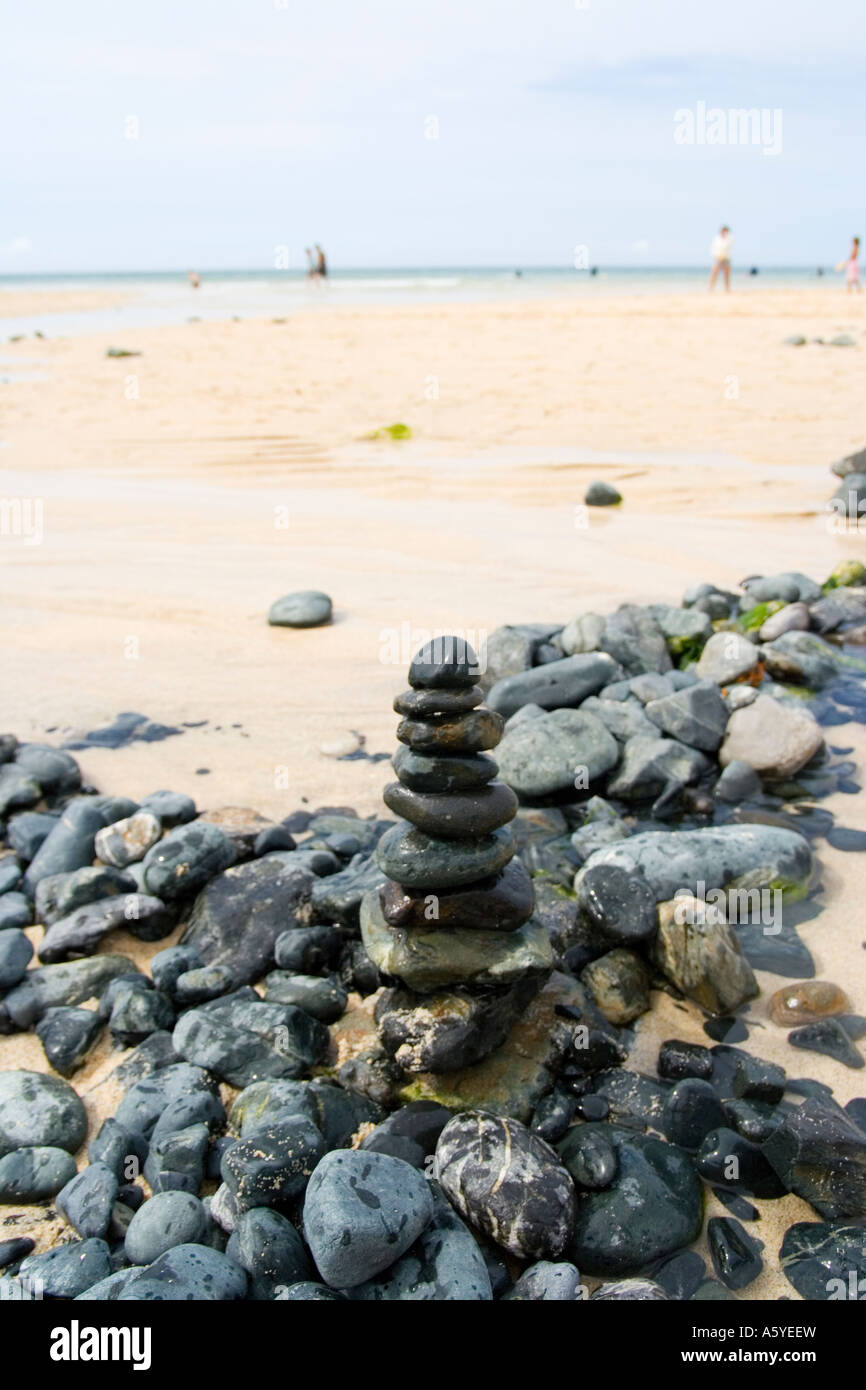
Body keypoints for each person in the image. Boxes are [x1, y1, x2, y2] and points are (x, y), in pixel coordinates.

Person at [709, 226, 732, 291]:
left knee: (726, 274)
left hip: (726, 257)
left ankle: (727, 288)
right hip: (718, 257)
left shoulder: (729, 238)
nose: (724, 232)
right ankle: (711, 288)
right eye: (723, 231)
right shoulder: (717, 238)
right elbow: (713, 248)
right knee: (714, 273)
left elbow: (728, 246)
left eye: (726, 231)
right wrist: (716, 255)